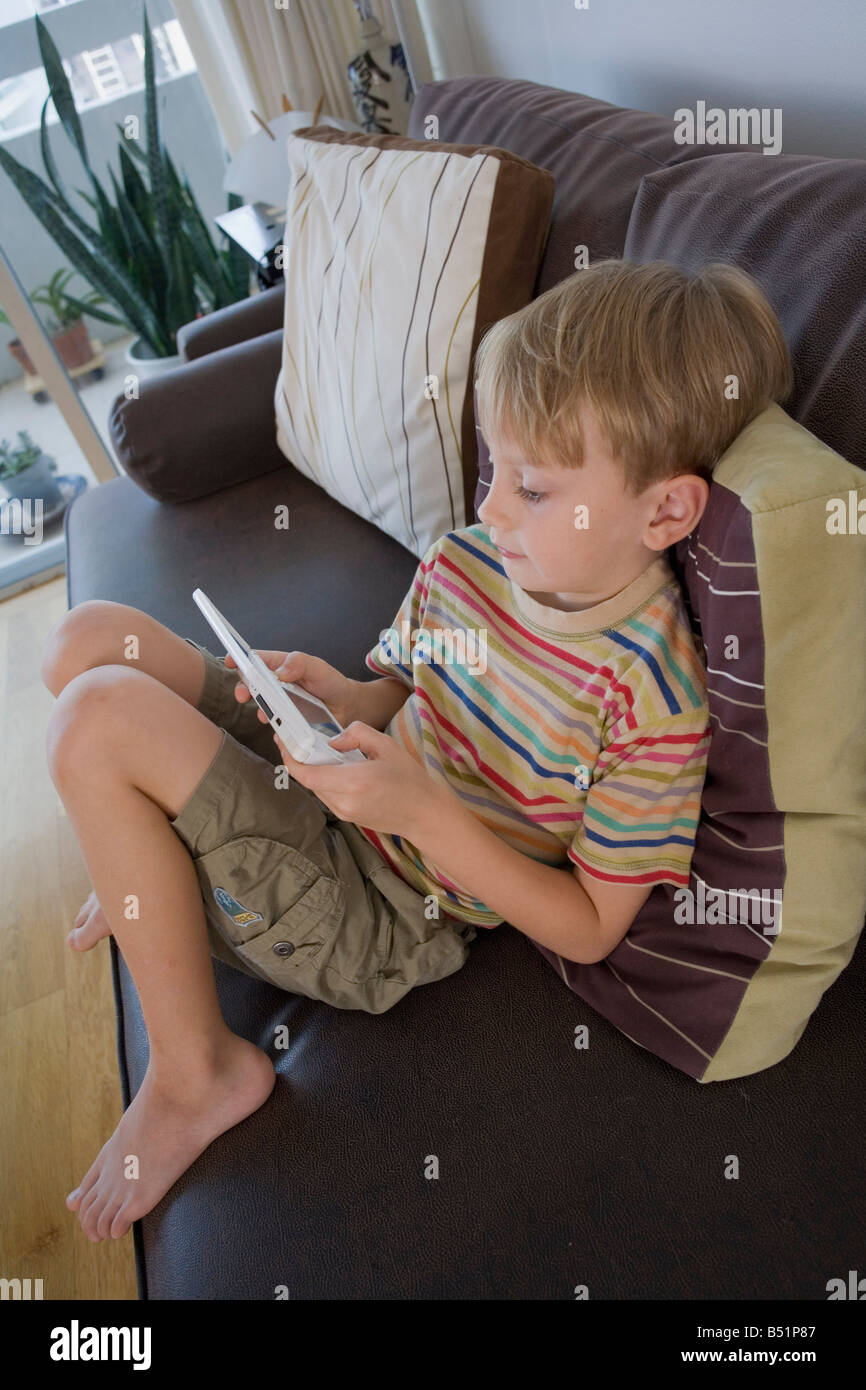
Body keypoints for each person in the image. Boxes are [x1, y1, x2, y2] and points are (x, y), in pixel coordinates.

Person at [40, 257, 793, 1242]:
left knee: (95, 719)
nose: (488, 509)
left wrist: (422, 812)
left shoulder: (647, 698)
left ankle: (200, 1071)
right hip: (341, 779)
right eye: (492, 467)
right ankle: (136, 841)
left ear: (663, 512)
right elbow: (395, 690)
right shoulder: (470, 561)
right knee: (87, 639)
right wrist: (331, 690)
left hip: (384, 899)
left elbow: (587, 928)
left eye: (529, 486)